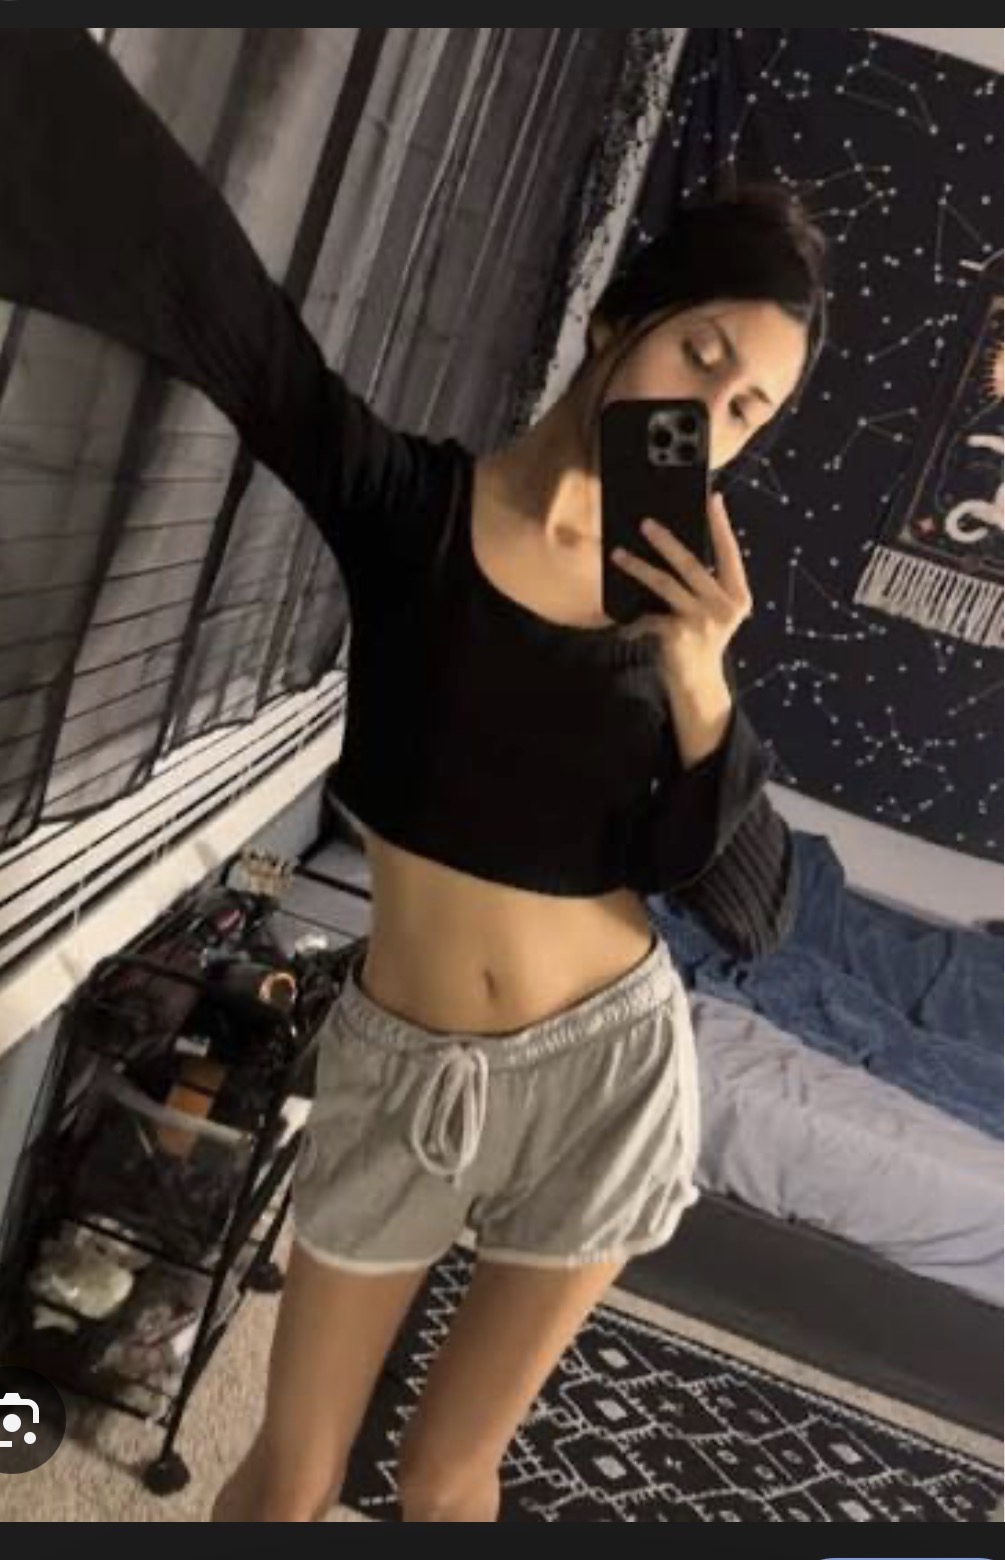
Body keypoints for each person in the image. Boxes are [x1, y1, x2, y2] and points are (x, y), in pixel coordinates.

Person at [0, 31, 826, 1523]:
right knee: (290, 1471)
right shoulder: (414, 513)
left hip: (605, 1069)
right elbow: (241, 332)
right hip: (396, 1066)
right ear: (619, 321)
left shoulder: (676, 618)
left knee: (448, 1482)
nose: (710, 416)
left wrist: (705, 681)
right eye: (702, 357)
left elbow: (752, 914)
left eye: (750, 409)